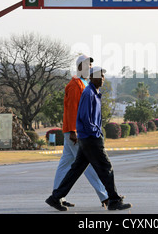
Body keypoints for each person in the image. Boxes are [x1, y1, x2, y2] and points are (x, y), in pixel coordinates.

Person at [46, 66, 132, 211]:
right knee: (106, 167)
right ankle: (114, 200)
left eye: (104, 76)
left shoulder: (94, 92)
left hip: (88, 138)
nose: (102, 78)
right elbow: (85, 117)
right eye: (100, 76)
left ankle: (55, 198)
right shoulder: (89, 93)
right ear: (92, 77)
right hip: (91, 138)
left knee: (76, 169)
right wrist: (96, 132)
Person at [50, 55, 108, 208]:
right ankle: (105, 196)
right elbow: (72, 110)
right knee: (87, 165)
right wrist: (73, 131)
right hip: (75, 133)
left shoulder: (83, 83)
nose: (90, 67)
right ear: (81, 66)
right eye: (88, 65)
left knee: (65, 164)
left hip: (75, 132)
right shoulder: (76, 84)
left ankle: (57, 196)